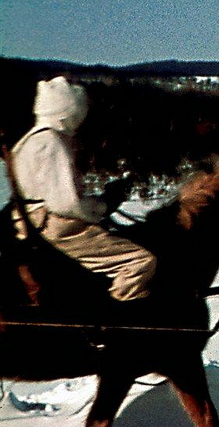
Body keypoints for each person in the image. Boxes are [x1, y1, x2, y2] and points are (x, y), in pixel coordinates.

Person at [9, 77, 155, 303]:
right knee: (139, 261)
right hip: (53, 225)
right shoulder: (53, 143)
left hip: (29, 220)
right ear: (69, 112)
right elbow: (67, 204)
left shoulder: (30, 140)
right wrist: (105, 203)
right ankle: (119, 320)